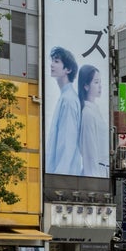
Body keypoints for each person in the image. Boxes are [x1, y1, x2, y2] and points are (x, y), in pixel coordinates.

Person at [46, 46, 83, 174]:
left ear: (68, 69)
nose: (51, 65)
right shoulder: (65, 96)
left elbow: (67, 143)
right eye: (52, 61)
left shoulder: (68, 100)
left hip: (64, 177)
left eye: (56, 61)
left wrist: (58, 176)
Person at [76, 64, 109, 177]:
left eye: (100, 82)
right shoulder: (88, 114)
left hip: (103, 171)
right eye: (96, 82)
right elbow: (90, 153)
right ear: (86, 86)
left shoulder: (95, 110)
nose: (100, 86)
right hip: (96, 174)